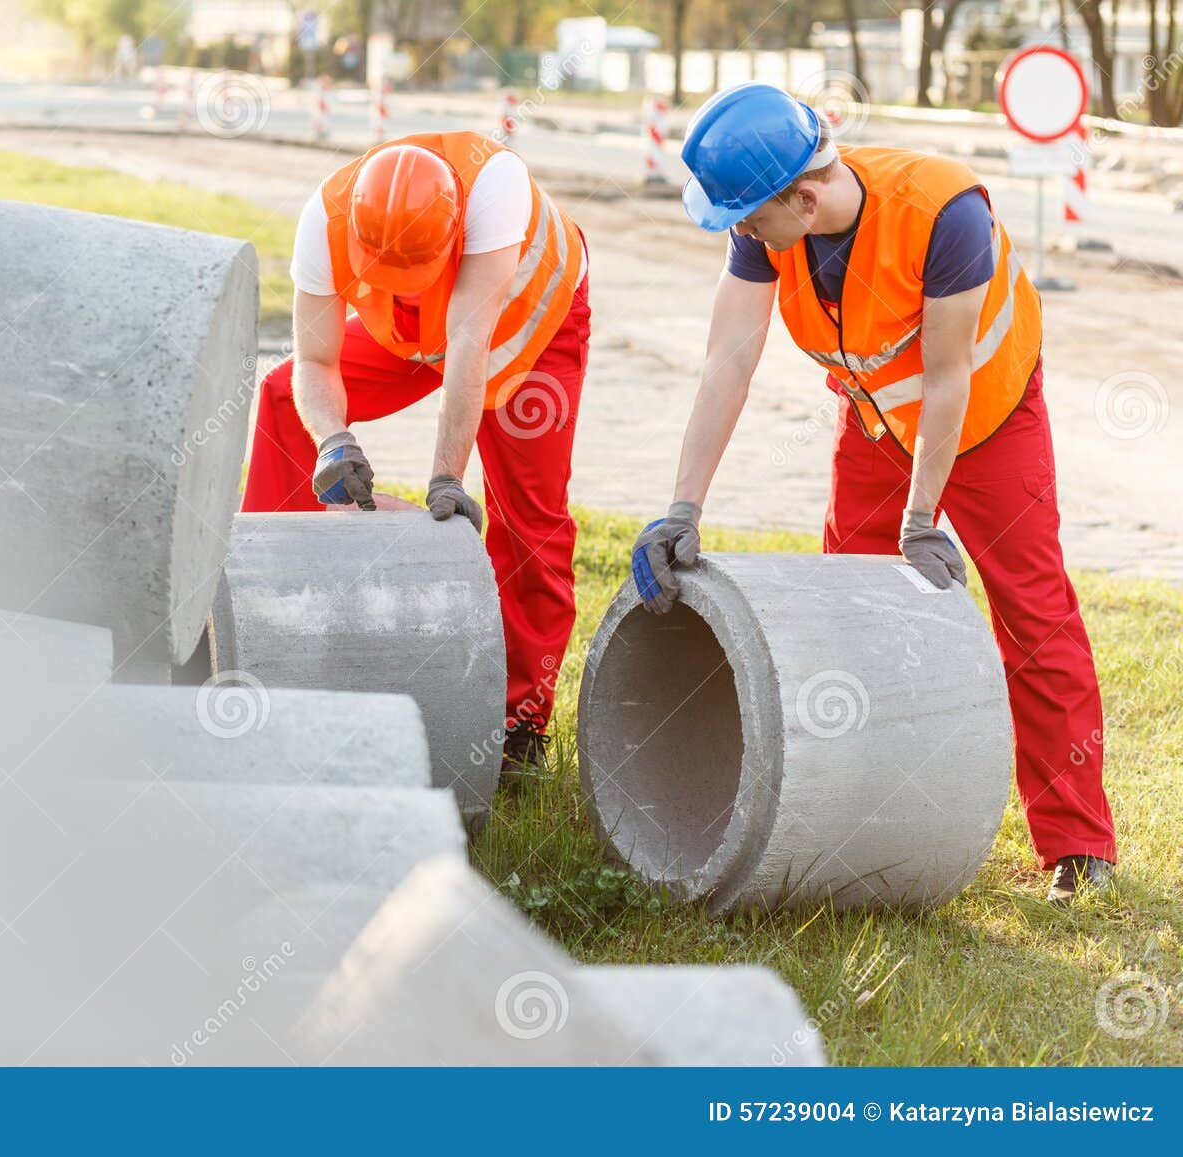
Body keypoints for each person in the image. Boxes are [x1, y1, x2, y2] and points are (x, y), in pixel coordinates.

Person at [633, 82, 1116, 902]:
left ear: (806, 195)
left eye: (748, 216)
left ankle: (1079, 844)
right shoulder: (769, 234)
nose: (742, 233)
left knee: (1032, 609)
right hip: (875, 415)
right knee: (849, 602)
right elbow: (728, 363)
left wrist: (922, 518)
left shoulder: (943, 212)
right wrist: (684, 506)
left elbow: (949, 373)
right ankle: (858, 811)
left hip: (987, 412)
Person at [241, 132, 590, 787]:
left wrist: (446, 478)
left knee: (530, 520)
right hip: (417, 332)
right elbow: (315, 363)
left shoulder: (495, 191)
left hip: (526, 327)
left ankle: (519, 725)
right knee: (284, 395)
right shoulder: (326, 218)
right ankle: (262, 612)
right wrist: (333, 439)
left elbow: (468, 344)